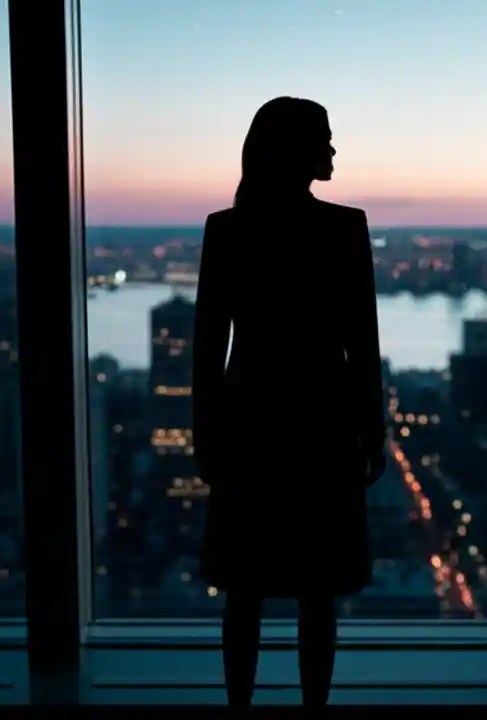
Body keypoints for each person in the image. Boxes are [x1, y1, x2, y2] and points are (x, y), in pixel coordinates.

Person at [192, 96, 387, 710]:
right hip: (321, 426)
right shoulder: (343, 229)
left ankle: (240, 706)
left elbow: (205, 352)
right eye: (323, 139)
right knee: (316, 587)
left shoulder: (228, 231)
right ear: (293, 148)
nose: (332, 150)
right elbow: (363, 344)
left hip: (251, 422)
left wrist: (207, 436)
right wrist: (371, 430)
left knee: (246, 588)